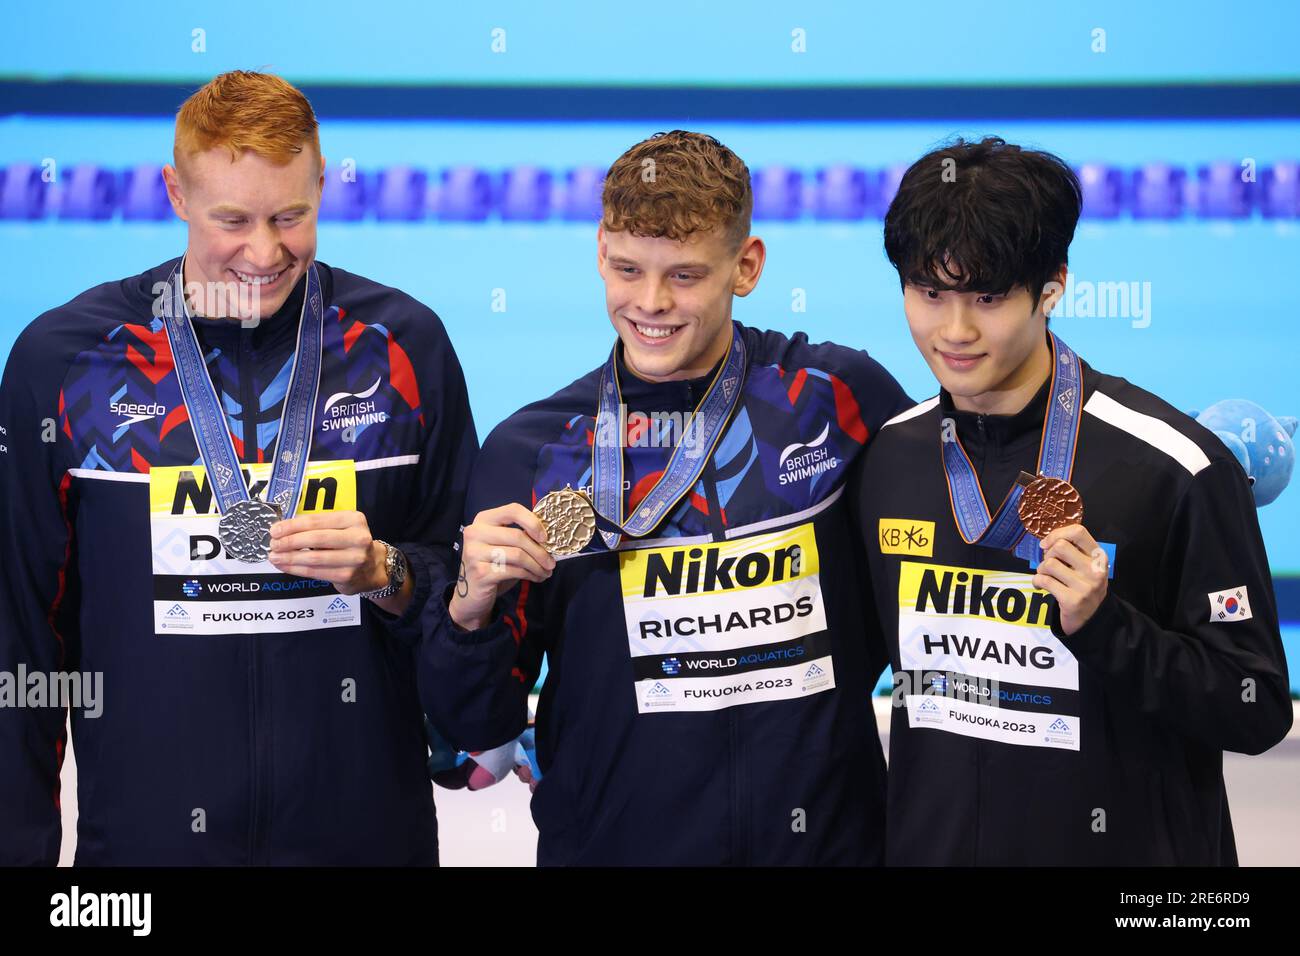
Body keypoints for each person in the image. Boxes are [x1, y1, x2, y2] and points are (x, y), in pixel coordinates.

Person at [0, 71, 476, 865]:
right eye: (234, 219)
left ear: (323, 184)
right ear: (175, 193)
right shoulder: (69, 363)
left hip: (365, 844)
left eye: (292, 215)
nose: (265, 250)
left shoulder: (401, 348)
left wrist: (387, 570)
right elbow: (22, 641)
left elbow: (466, 596)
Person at [418, 130, 911, 865]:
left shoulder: (834, 401)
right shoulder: (536, 452)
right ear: (599, 254)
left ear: (745, 267)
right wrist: (468, 608)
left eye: (684, 276)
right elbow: (474, 731)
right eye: (627, 269)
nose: (650, 303)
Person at [852, 136, 1292, 865]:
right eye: (930, 293)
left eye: (988, 297)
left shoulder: (1174, 467)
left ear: (1052, 286)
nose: (954, 331)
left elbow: (1257, 708)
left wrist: (1106, 625)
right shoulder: (890, 458)